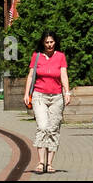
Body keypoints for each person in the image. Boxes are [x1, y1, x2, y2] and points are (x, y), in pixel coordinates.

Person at [23, 30, 71, 173]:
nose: (49, 45)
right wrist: (27, 93)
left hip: (57, 97)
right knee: (43, 127)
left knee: (53, 128)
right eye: (47, 42)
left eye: (52, 42)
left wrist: (67, 92)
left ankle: (49, 163)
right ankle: (40, 162)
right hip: (39, 96)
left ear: (55, 42)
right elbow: (31, 76)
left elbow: (63, 75)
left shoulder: (61, 56)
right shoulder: (36, 56)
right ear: (43, 43)